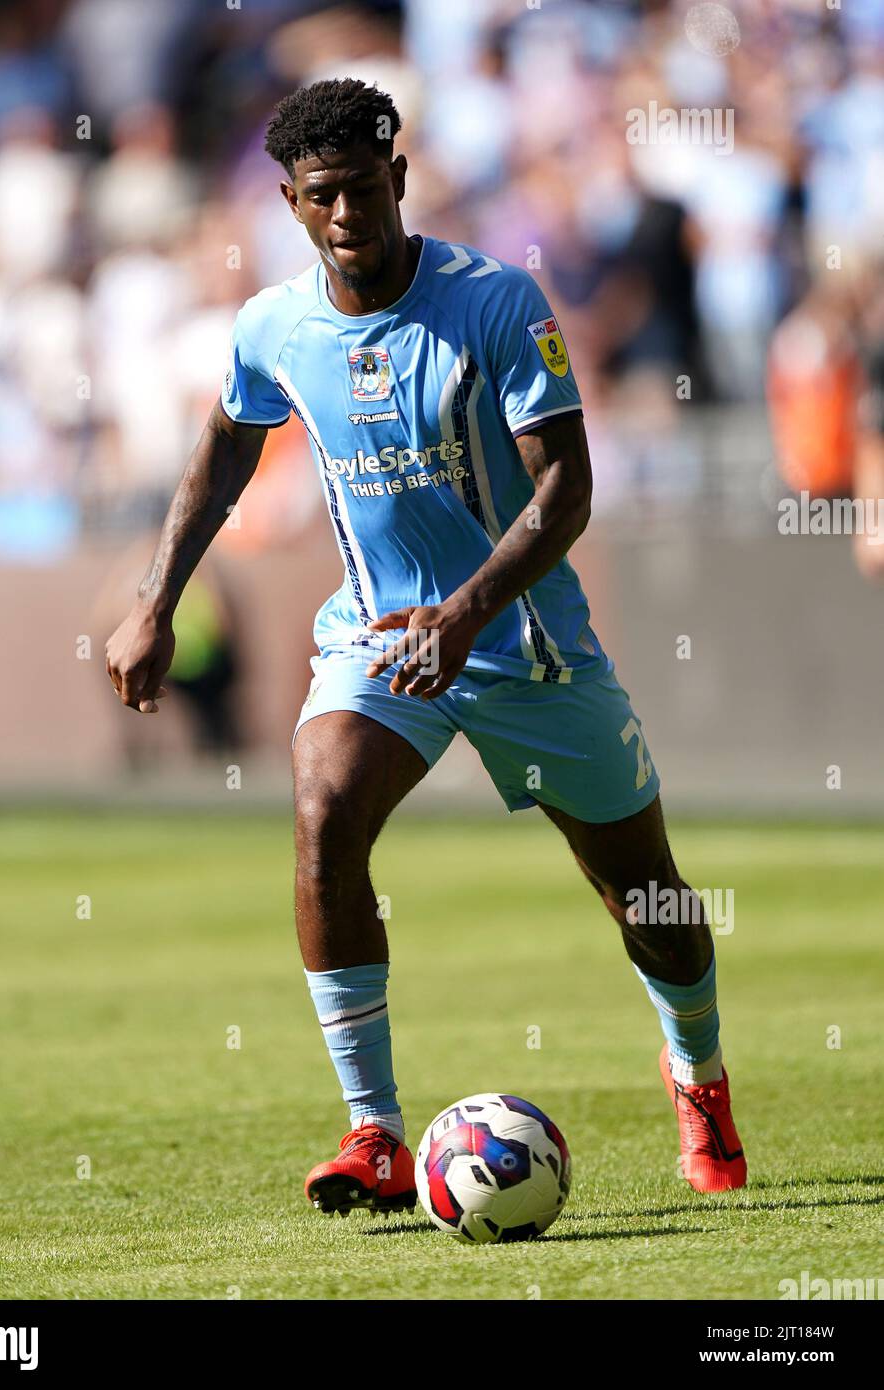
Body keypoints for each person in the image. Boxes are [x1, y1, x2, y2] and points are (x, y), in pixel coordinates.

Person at [105, 79, 746, 1217]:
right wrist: (156, 600)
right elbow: (220, 449)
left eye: (362, 188)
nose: (345, 214)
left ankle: (696, 1073)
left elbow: (567, 491)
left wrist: (464, 613)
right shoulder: (272, 327)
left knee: (645, 896)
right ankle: (374, 1133)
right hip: (376, 643)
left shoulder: (495, 304)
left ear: (397, 179)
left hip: (526, 645)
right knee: (322, 811)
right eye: (320, 198)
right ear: (291, 205)